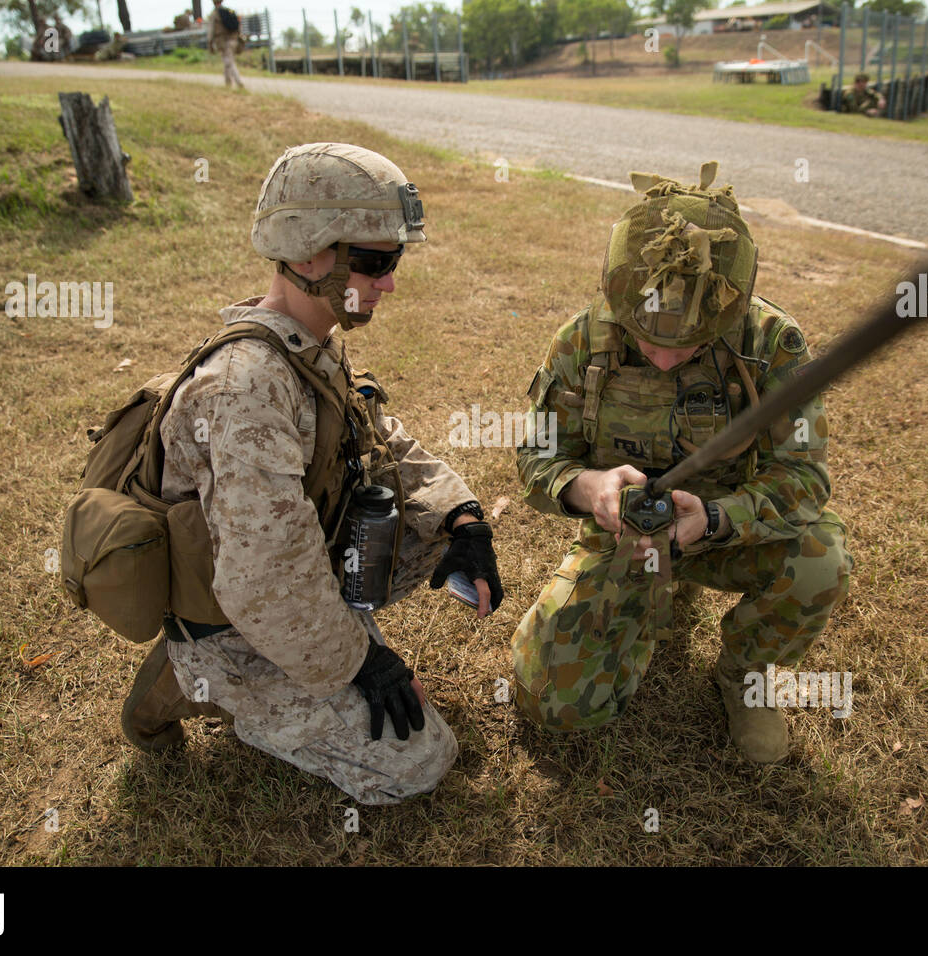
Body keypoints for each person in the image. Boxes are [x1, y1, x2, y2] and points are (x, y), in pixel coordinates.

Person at [120, 143, 504, 806]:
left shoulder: (310, 341)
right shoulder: (246, 390)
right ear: (307, 256)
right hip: (237, 616)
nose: (389, 283)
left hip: (291, 571)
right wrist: (361, 662)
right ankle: (192, 677)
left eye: (394, 259)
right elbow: (262, 578)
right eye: (376, 262)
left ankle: (317, 647)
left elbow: (383, 441)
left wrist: (463, 517)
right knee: (415, 763)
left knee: (441, 532)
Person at [512, 163, 853, 764]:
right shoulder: (581, 340)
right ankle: (645, 608)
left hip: (727, 529)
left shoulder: (771, 344)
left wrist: (716, 519)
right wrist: (591, 489)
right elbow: (539, 456)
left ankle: (748, 677)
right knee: (554, 704)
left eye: (690, 345)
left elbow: (805, 479)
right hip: (625, 538)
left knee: (819, 560)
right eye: (648, 341)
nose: (666, 359)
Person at [207, 0, 246, 90]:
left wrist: (210, 43)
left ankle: (238, 82)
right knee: (227, 62)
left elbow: (211, 30)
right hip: (234, 39)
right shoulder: (229, 11)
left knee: (229, 61)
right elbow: (238, 26)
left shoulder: (214, 14)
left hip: (223, 41)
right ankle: (228, 83)